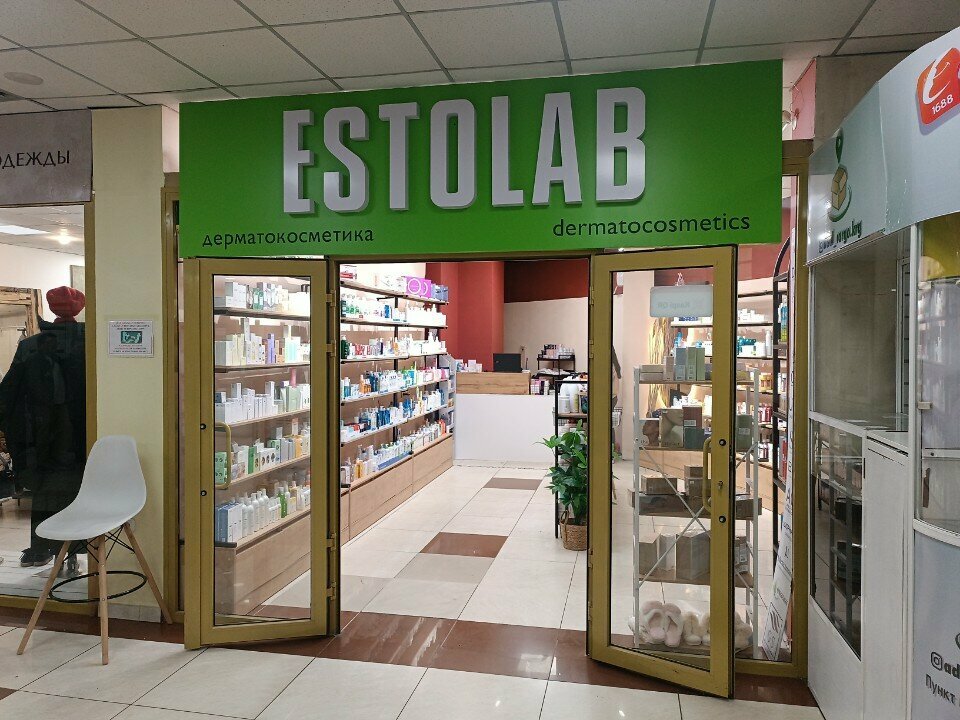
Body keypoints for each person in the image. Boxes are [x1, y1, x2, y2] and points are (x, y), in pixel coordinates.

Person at [0, 287, 86, 569]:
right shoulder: (91, 342)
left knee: (45, 491)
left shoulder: (31, 346)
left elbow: (9, 392)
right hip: (83, 435)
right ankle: (73, 552)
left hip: (40, 436)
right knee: (79, 490)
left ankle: (40, 548)